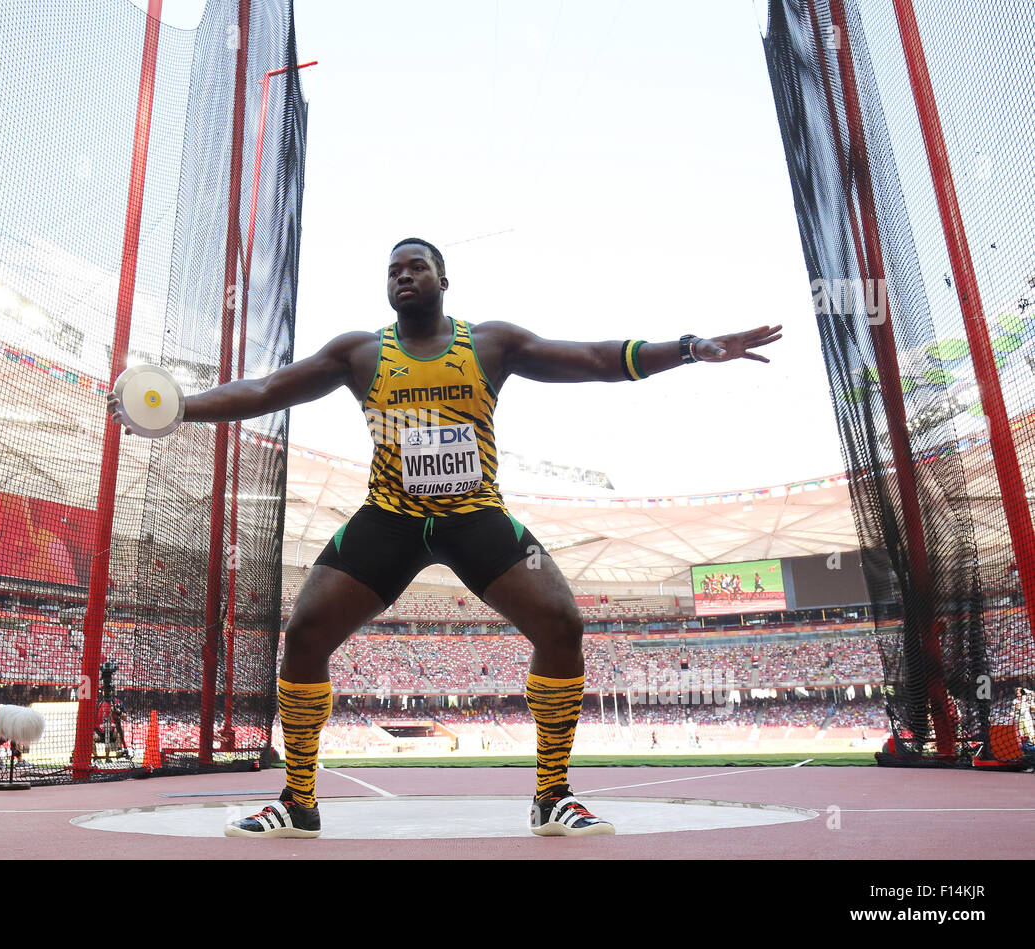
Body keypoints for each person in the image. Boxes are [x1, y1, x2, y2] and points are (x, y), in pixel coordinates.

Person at [111, 238, 781, 838]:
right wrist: (179, 407)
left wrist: (691, 347)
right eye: (393, 269)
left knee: (562, 622)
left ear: (443, 279)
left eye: (417, 266)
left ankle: (553, 797)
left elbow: (596, 358)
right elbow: (267, 388)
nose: (404, 276)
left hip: (475, 517)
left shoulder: (491, 343)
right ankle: (300, 800)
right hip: (390, 519)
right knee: (306, 631)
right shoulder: (360, 352)